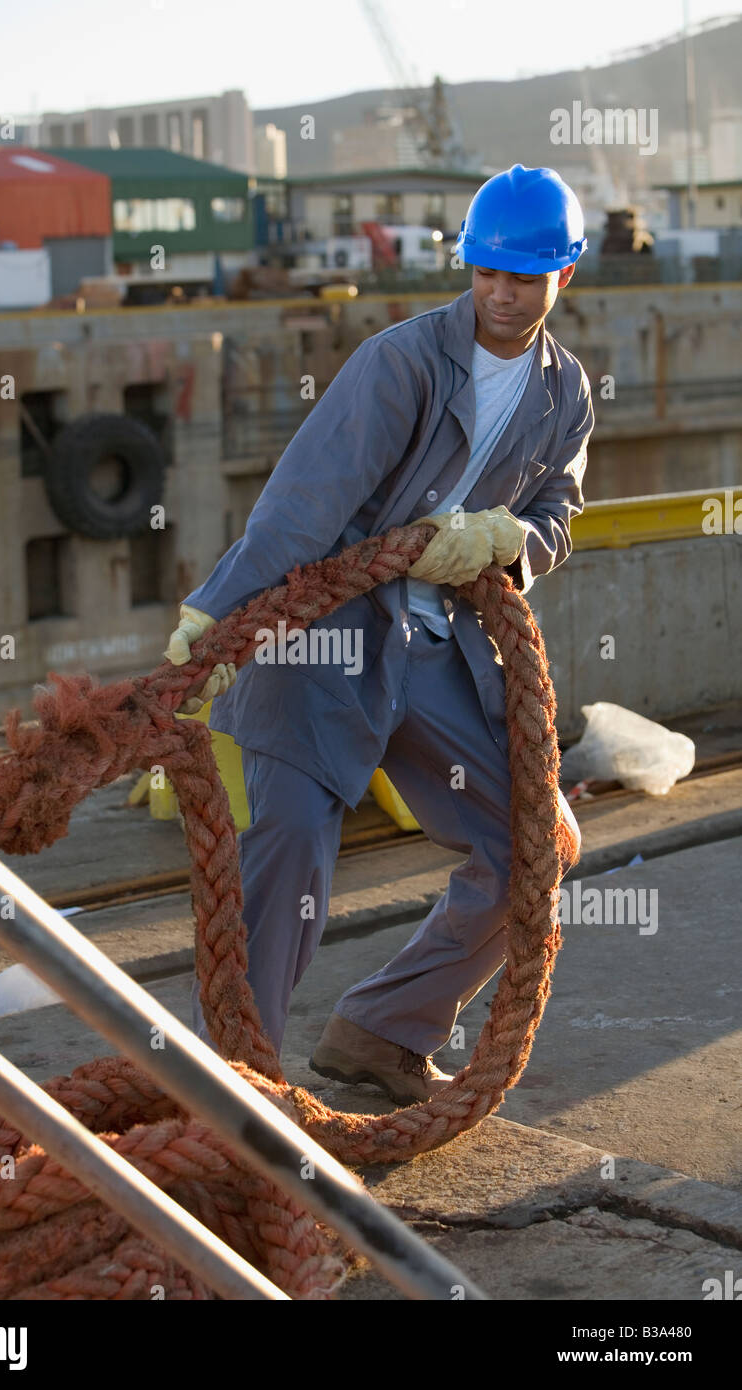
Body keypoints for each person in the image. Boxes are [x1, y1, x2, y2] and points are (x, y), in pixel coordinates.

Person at [165, 164, 595, 1104]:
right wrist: (215, 623)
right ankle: (225, 1087)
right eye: (486, 271)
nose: (501, 292)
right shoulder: (398, 364)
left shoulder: (564, 395)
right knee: (288, 847)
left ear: (565, 275)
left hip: (432, 648)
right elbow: (299, 511)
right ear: (467, 265)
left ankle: (382, 1031)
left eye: (524, 277)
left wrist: (514, 541)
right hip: (324, 638)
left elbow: (561, 504)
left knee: (536, 847)